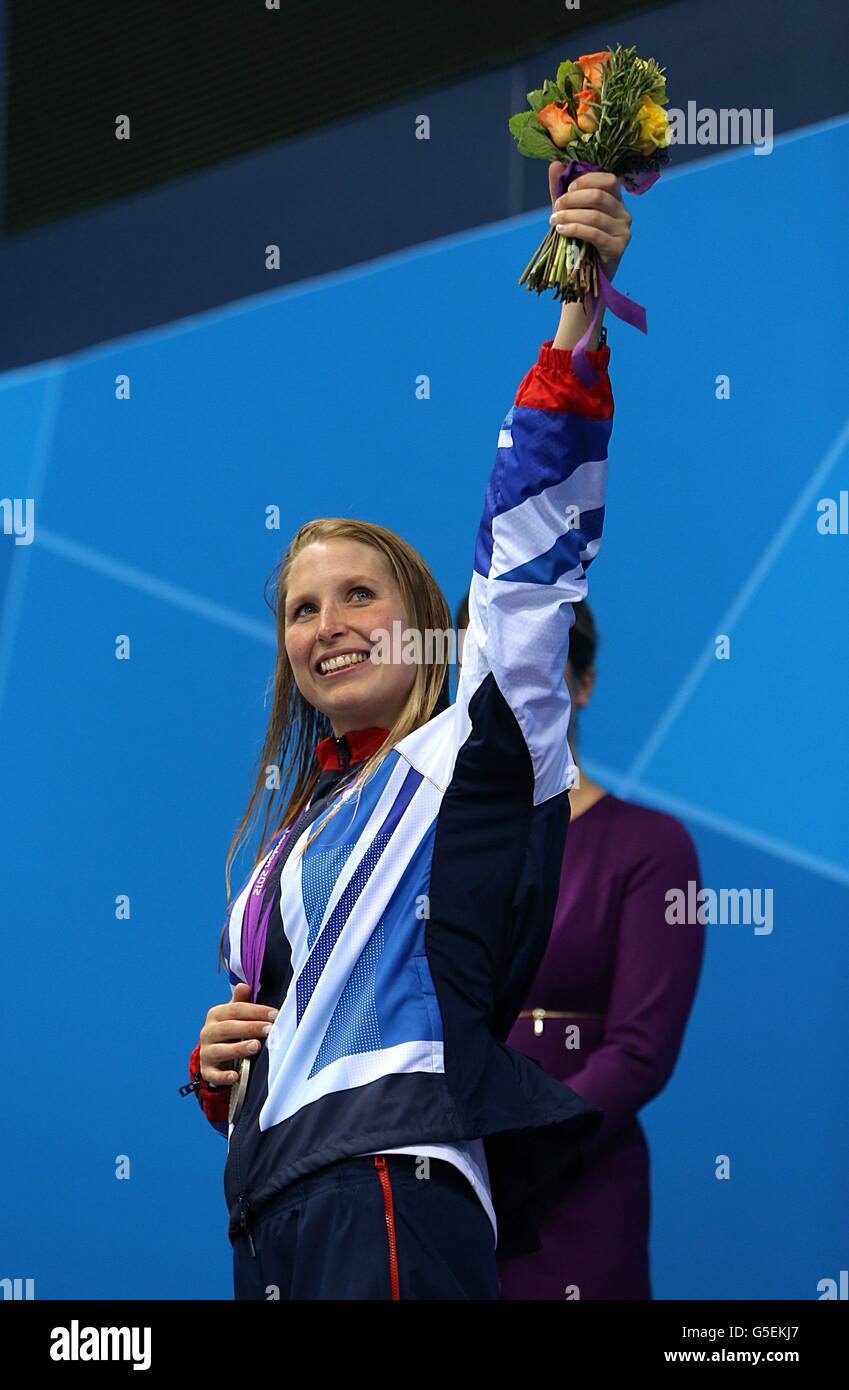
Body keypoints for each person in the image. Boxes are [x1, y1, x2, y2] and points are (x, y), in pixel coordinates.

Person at [183, 163, 633, 1299]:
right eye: (300, 608)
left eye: (357, 596)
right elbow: (303, 1020)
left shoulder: (475, 747)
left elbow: (530, 554)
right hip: (269, 1210)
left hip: (393, 1182)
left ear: (425, 620)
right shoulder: (289, 842)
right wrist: (222, 1063)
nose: (326, 626)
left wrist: (576, 314)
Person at [485, 600, 705, 1299]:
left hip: (575, 1197)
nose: (514, 689)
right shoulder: (424, 853)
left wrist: (517, 1152)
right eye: (492, 669)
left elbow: (641, 1050)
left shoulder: (652, 846)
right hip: (437, 1200)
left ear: (582, 684)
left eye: (538, 666)